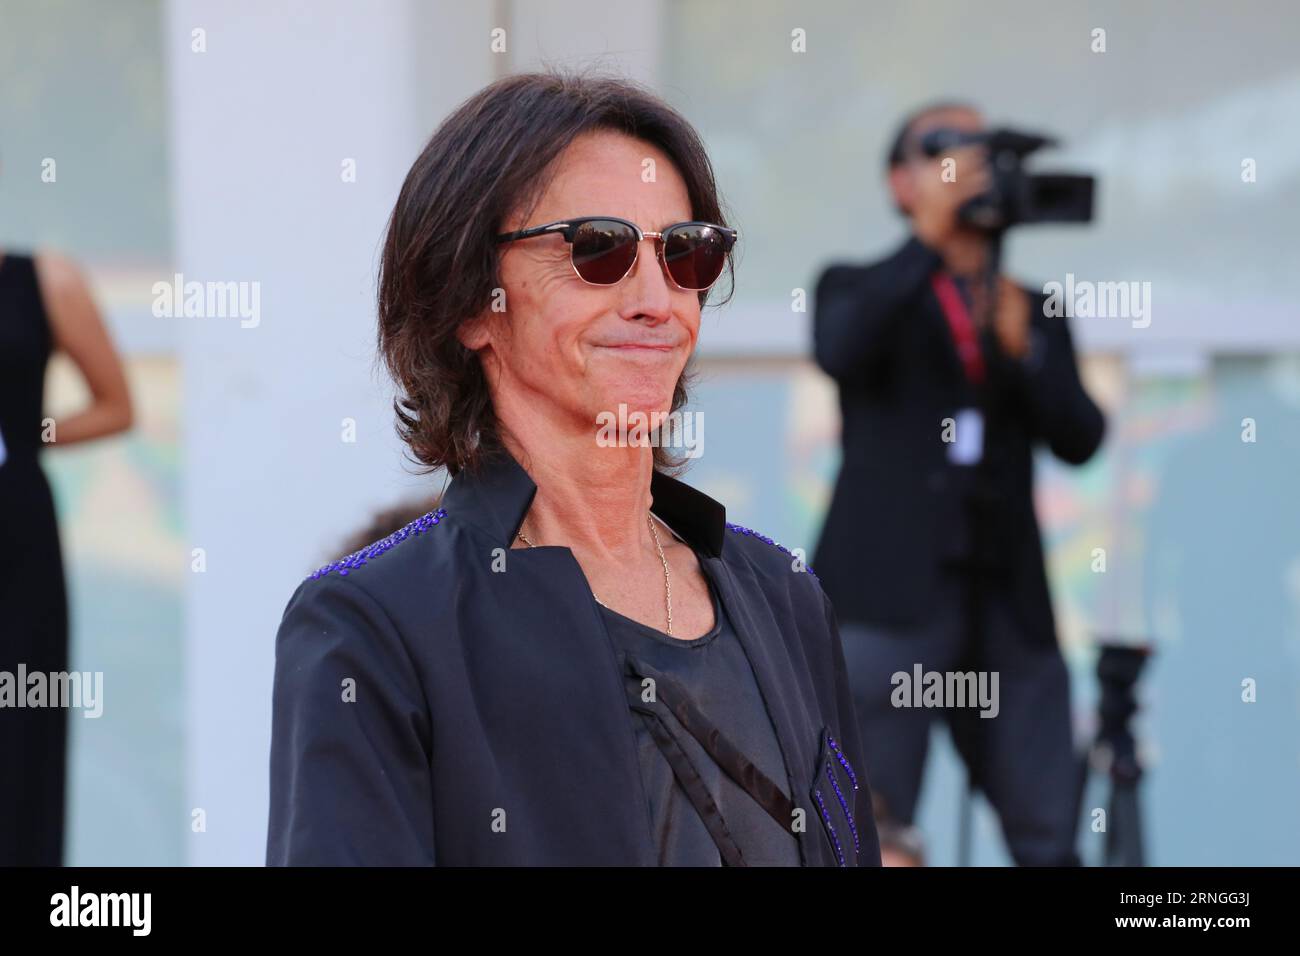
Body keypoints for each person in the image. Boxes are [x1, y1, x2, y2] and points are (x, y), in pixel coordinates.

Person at [266, 71, 882, 867]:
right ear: (469, 301)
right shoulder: (374, 625)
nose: (658, 300)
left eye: (686, 255)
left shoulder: (784, 596)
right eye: (601, 250)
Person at [811, 102, 1105, 866]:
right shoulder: (860, 284)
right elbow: (841, 349)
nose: (970, 166)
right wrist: (929, 241)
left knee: (1049, 830)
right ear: (900, 182)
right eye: (944, 151)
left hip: (1008, 604)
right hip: (887, 601)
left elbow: (1082, 438)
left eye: (981, 151)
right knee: (863, 829)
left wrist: (1029, 354)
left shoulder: (1032, 308)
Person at [0, 245, 134, 865]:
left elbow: (115, 405)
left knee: (23, 731)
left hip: (17, 532)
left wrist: (29, 436)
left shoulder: (46, 279)